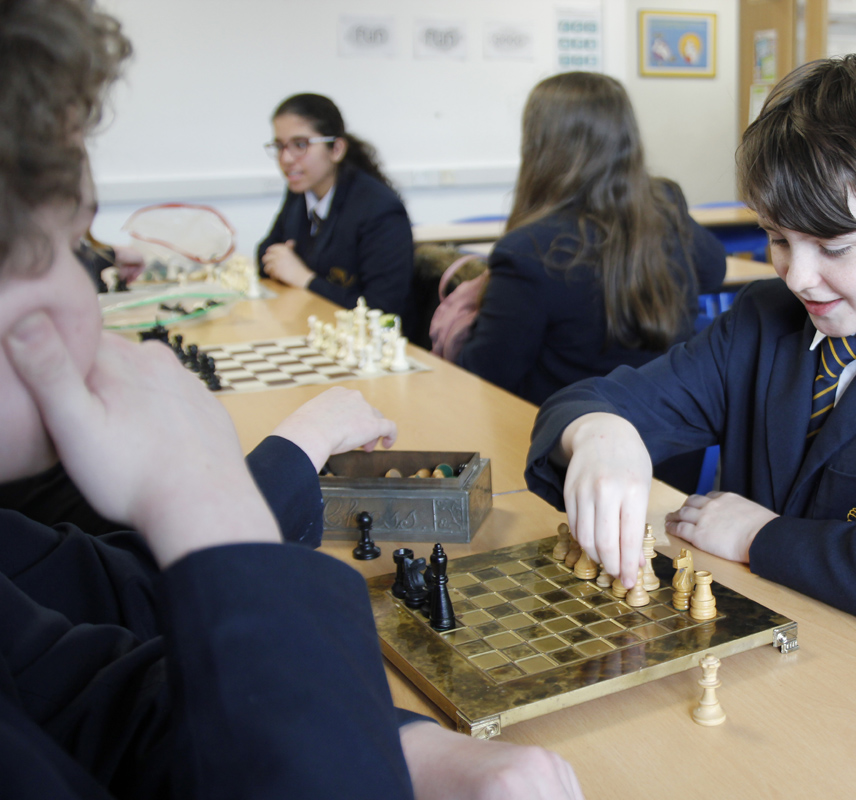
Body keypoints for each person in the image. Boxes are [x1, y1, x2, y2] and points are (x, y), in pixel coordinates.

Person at [0, 2, 583, 798]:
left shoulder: (373, 205)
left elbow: (91, 693)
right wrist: (204, 499)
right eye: (74, 247)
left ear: (333, 148)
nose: (91, 287)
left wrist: (403, 746)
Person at [524, 54, 856, 653]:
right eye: (778, 238)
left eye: (834, 246)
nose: (797, 277)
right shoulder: (764, 319)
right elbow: (585, 400)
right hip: (755, 640)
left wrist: (763, 537)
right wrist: (601, 433)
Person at [457, 71, 727, 407]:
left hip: (571, 448)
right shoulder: (663, 204)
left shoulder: (528, 251)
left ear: (537, 146)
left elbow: (485, 375)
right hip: (672, 444)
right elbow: (714, 271)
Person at [257, 93, 416, 330]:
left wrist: (304, 279)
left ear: (337, 149)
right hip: (312, 325)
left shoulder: (380, 210)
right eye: (279, 146)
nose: (286, 159)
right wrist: (286, 267)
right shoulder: (300, 191)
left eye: (300, 145)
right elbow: (265, 255)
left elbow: (382, 311)